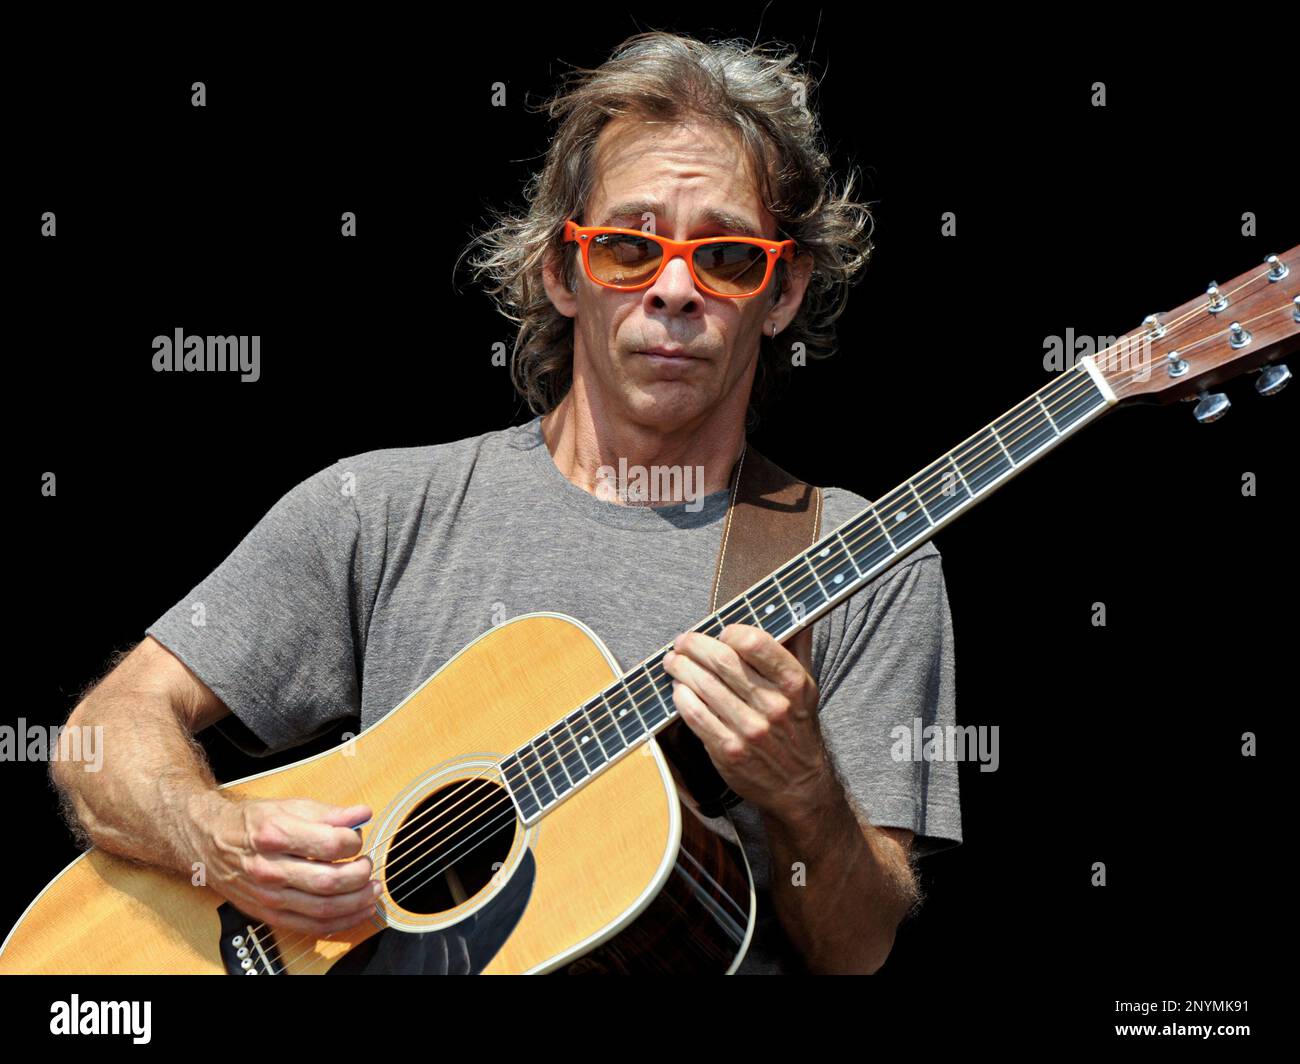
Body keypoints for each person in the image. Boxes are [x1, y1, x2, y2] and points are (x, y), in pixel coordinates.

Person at [51, 30, 961, 974]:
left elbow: (857, 948)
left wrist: (806, 790)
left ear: (782, 293)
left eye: (729, 257)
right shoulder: (382, 510)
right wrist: (217, 839)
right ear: (561, 273)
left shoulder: (865, 558)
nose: (677, 289)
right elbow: (106, 730)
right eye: (627, 246)